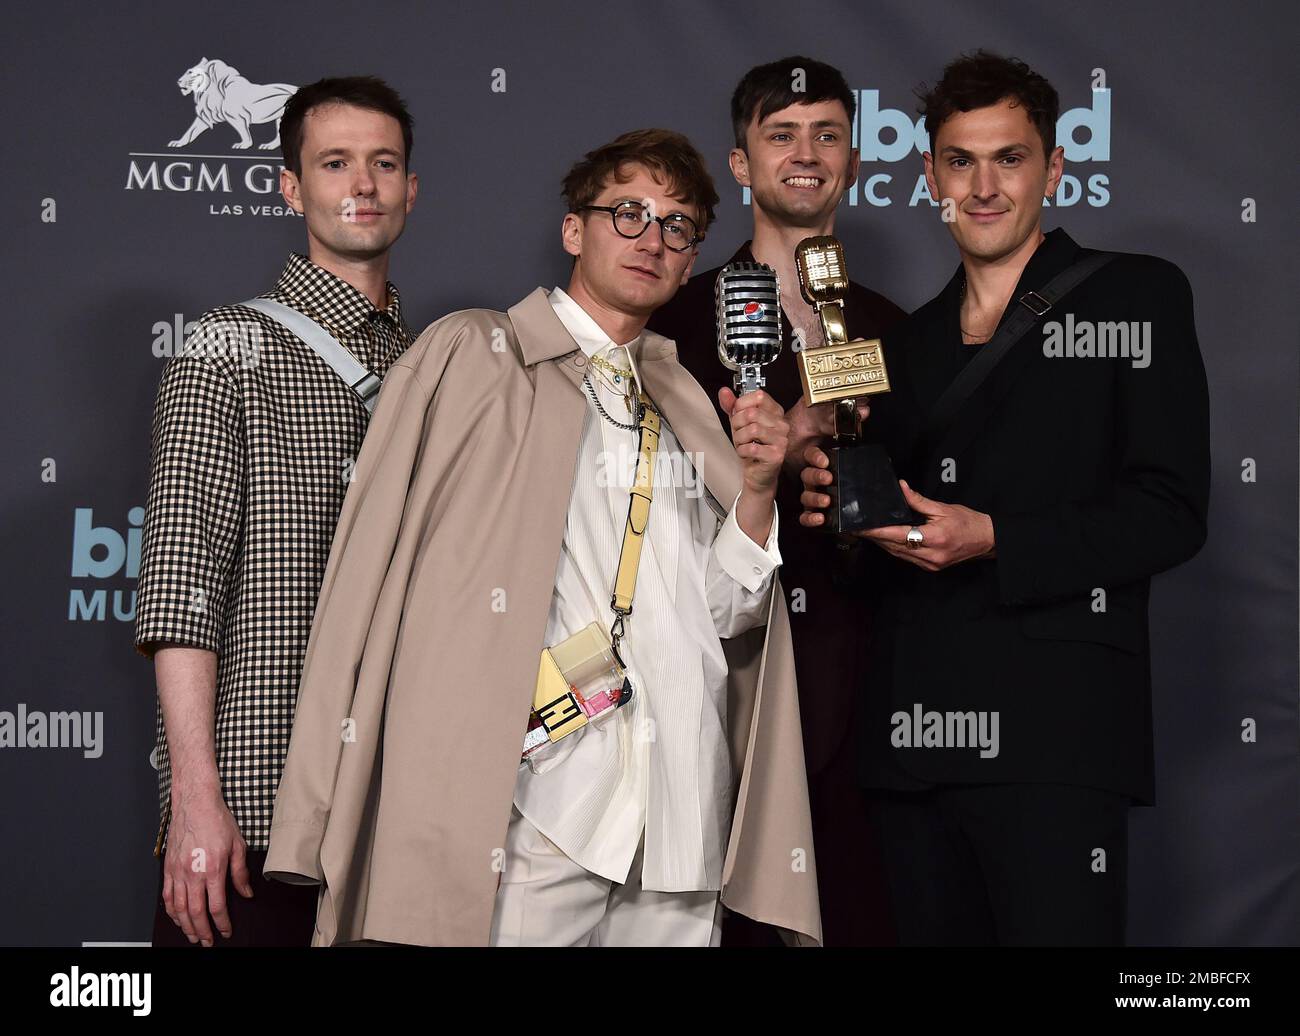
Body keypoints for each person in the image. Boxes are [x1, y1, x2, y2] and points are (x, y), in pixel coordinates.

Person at [263, 129, 821, 947]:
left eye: (677, 226)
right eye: (628, 212)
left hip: (677, 815)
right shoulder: (472, 354)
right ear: (574, 229)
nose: (651, 239)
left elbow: (727, 617)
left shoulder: (693, 404)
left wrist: (761, 492)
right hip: (528, 808)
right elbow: (366, 574)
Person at [800, 50, 1210, 945]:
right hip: (909, 745)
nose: (983, 186)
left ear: (1056, 169)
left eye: (1010, 159)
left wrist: (998, 538)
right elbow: (878, 552)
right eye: (959, 161)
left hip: (1057, 738)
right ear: (930, 178)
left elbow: (1172, 510)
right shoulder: (897, 350)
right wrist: (840, 513)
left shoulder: (1136, 293)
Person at [134, 76, 419, 947]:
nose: (362, 185)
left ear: (413, 186)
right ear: (292, 187)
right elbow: (181, 589)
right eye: (335, 163)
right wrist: (196, 802)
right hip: (255, 806)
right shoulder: (227, 346)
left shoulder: (431, 367)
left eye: (383, 163)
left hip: (397, 811)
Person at [650, 55, 904, 945]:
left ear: (853, 158)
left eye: (828, 135)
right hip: (720, 676)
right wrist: (774, 449)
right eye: (782, 134)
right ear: (741, 163)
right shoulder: (672, 326)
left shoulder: (896, 326)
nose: (807, 153)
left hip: (867, 683)